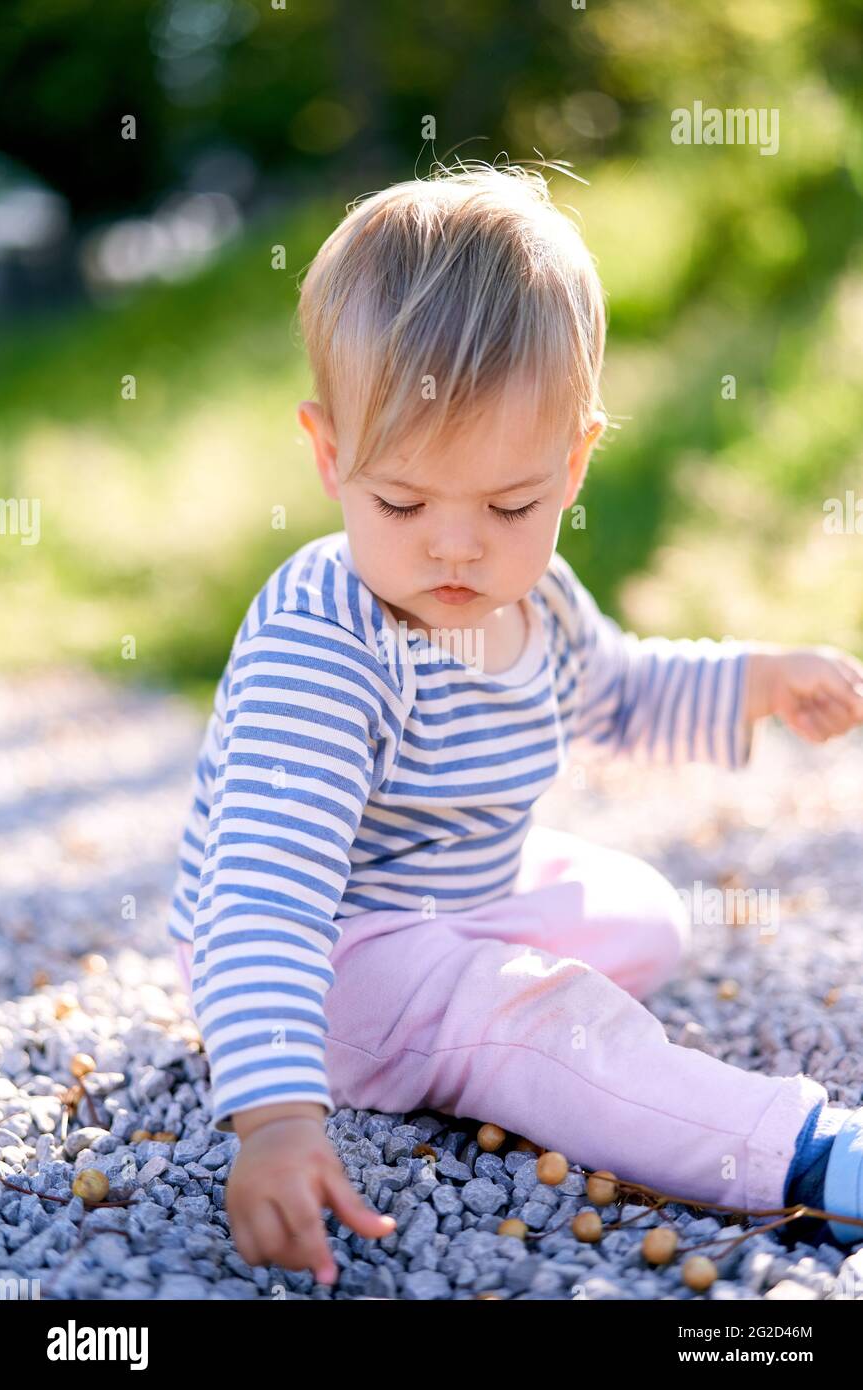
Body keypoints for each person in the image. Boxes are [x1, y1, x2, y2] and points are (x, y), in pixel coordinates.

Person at [166, 161, 863, 1285]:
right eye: (401, 502)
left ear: (574, 461)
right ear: (329, 452)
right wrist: (274, 1117)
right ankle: (800, 1147)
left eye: (509, 504)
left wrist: (755, 679)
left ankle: (478, 1022)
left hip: (454, 885)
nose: (456, 548)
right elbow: (263, 891)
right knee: (534, 1020)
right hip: (335, 941)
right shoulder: (325, 643)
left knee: (643, 911)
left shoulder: (532, 599)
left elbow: (622, 691)